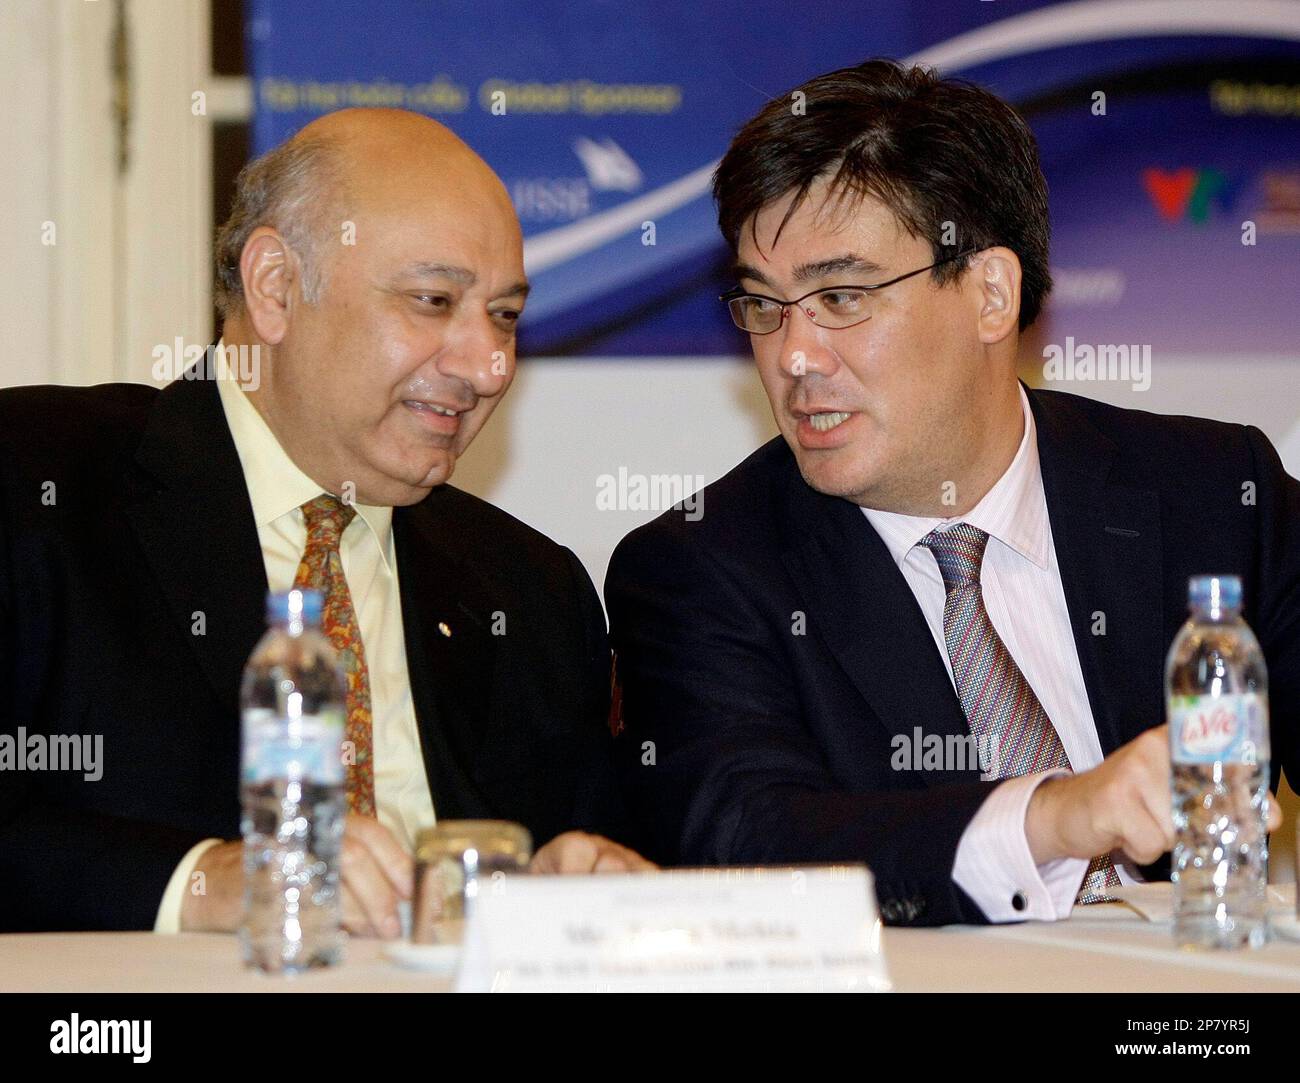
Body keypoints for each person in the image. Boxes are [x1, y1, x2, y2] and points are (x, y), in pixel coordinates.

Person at [605, 60, 1298, 926]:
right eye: (765, 305)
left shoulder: (1215, 493)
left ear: (991, 293)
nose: (794, 356)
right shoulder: (702, 567)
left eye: (842, 295)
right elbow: (745, 840)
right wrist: (1053, 816)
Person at [0, 108, 649, 936]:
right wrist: (210, 883)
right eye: (434, 299)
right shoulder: (35, 488)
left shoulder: (530, 591)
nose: (488, 365)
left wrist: (568, 882)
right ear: (275, 286)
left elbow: (582, 858)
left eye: (506, 316)